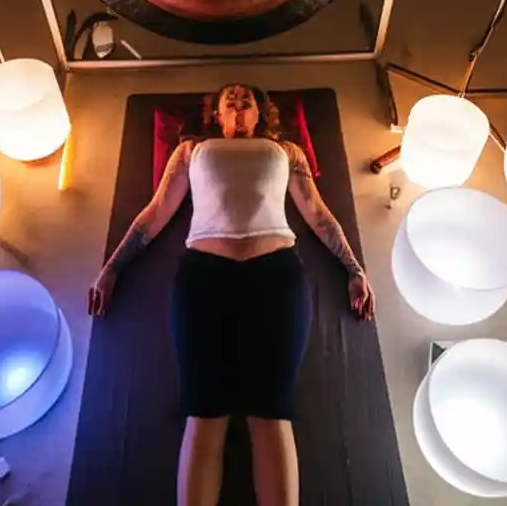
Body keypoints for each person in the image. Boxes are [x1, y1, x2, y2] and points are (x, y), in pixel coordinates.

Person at [88, 83, 375, 506]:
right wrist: (112, 269)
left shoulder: (286, 152)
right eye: (230, 103)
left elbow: (317, 213)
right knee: (205, 410)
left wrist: (354, 269)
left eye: (248, 103)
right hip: (204, 279)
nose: (239, 110)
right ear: (216, 115)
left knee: (271, 411)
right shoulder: (191, 151)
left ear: (261, 114)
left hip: (276, 277)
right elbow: (157, 211)